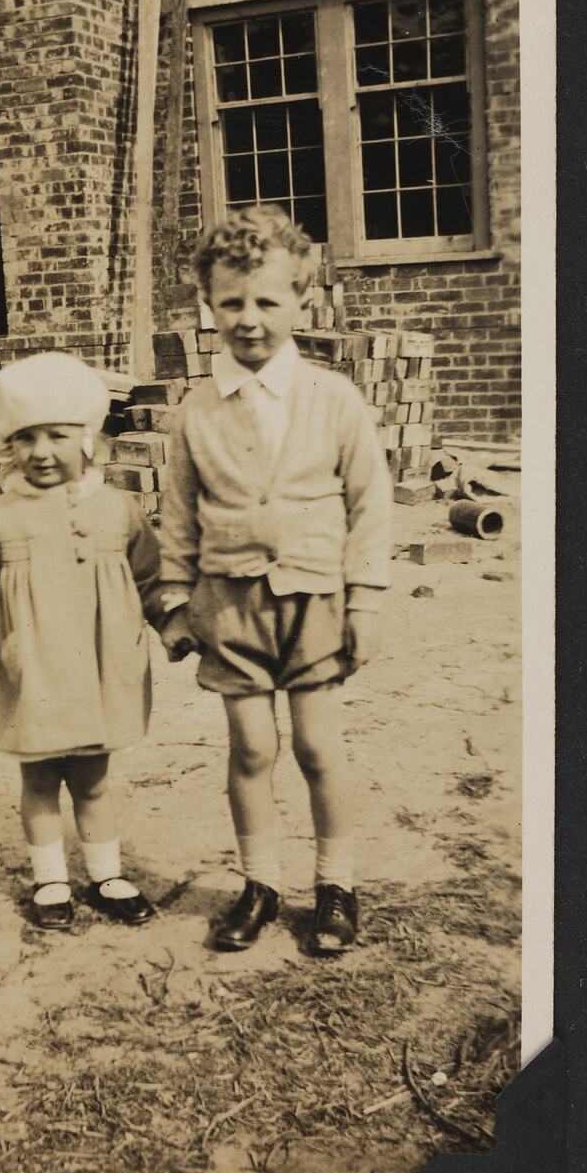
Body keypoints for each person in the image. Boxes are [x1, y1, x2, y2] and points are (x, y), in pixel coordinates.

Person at [158, 205, 392, 955]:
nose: (249, 319)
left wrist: (365, 598)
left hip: (315, 600)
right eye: (231, 303)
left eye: (266, 300)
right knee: (252, 749)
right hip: (229, 606)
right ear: (208, 305)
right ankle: (258, 885)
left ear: (301, 297)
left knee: (318, 747)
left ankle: (335, 886)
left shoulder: (333, 398)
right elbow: (177, 517)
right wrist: (173, 603)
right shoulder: (196, 411)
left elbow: (369, 504)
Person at [0, 351, 163, 932]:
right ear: (8, 445)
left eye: (57, 436)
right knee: (39, 780)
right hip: (32, 674)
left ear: (88, 440)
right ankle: (50, 881)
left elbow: (152, 578)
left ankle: (106, 875)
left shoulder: (119, 510)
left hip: (100, 673)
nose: (41, 452)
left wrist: (176, 626)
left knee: (93, 782)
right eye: (26, 438)